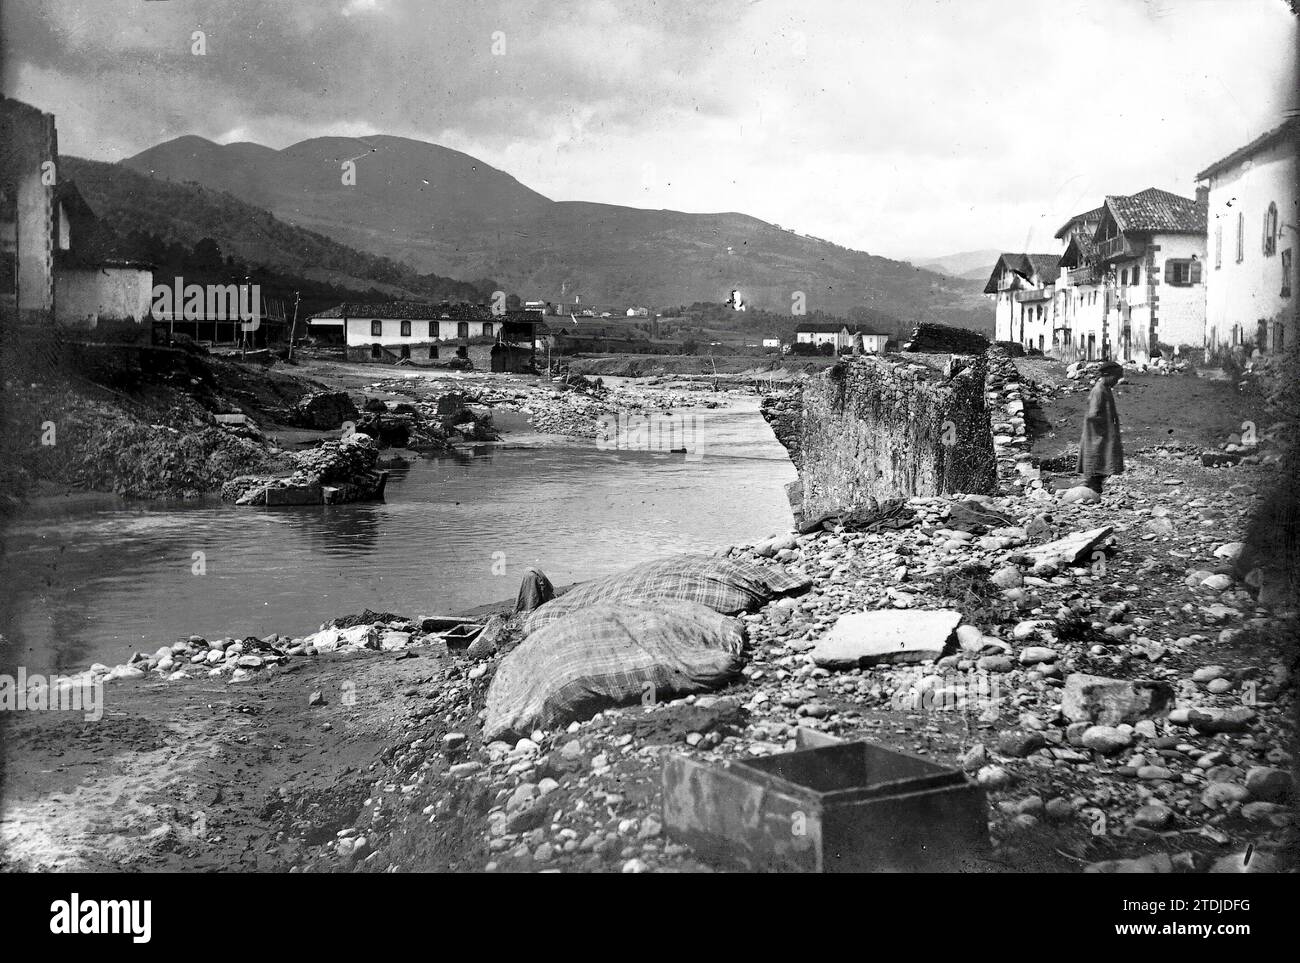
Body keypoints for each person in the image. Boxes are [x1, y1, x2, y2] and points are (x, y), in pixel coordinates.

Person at [1077, 361, 1125, 492]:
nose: (1116, 381)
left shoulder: (1105, 388)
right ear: (1107, 375)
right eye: (1116, 378)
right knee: (1096, 462)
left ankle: (1093, 491)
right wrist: (1106, 423)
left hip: (1101, 434)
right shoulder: (1099, 391)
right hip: (1097, 434)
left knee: (1100, 463)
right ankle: (1089, 491)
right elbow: (1093, 414)